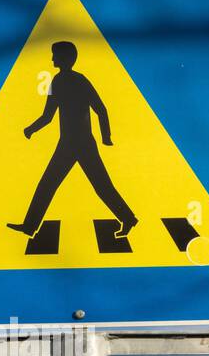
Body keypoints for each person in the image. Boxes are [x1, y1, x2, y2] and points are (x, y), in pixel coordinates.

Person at [8, 41, 137, 238]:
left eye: (55, 55)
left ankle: (128, 218)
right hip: (70, 144)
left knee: (98, 186)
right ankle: (29, 226)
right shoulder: (57, 82)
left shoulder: (74, 81)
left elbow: (100, 109)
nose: (52, 58)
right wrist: (31, 129)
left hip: (81, 144)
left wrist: (106, 137)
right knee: (50, 184)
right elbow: (48, 116)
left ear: (64, 58)